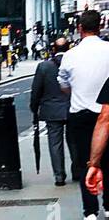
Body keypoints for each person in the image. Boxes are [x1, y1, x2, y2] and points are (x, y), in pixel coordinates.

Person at [58, 9, 109, 220]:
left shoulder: (70, 55)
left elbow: (63, 85)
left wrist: (78, 93)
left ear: (79, 28)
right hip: (105, 113)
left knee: (83, 163)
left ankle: (90, 213)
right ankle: (108, 206)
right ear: (100, 26)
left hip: (80, 115)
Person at [30, 38, 70, 186]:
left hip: (52, 110)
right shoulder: (74, 64)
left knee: (55, 143)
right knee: (74, 141)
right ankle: (78, 170)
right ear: (69, 48)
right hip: (73, 107)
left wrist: (34, 107)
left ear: (53, 49)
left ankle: (59, 176)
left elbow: (36, 91)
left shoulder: (44, 67)